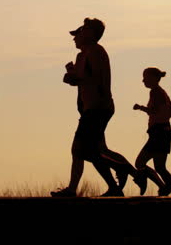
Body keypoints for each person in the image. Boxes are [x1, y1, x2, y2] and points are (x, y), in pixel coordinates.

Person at [51, 18, 136, 197]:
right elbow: (84, 80)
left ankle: (121, 168)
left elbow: (97, 79)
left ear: (90, 33)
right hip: (90, 108)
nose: (75, 38)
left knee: (80, 149)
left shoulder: (96, 51)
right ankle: (112, 185)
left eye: (79, 32)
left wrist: (74, 77)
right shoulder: (82, 55)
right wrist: (73, 76)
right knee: (91, 150)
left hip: (99, 107)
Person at [131, 67, 171, 196]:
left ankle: (163, 187)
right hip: (164, 131)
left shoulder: (155, 92)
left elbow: (154, 111)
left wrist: (141, 108)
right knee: (160, 167)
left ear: (153, 78)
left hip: (159, 133)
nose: (143, 81)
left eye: (145, 78)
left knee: (140, 162)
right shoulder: (162, 93)